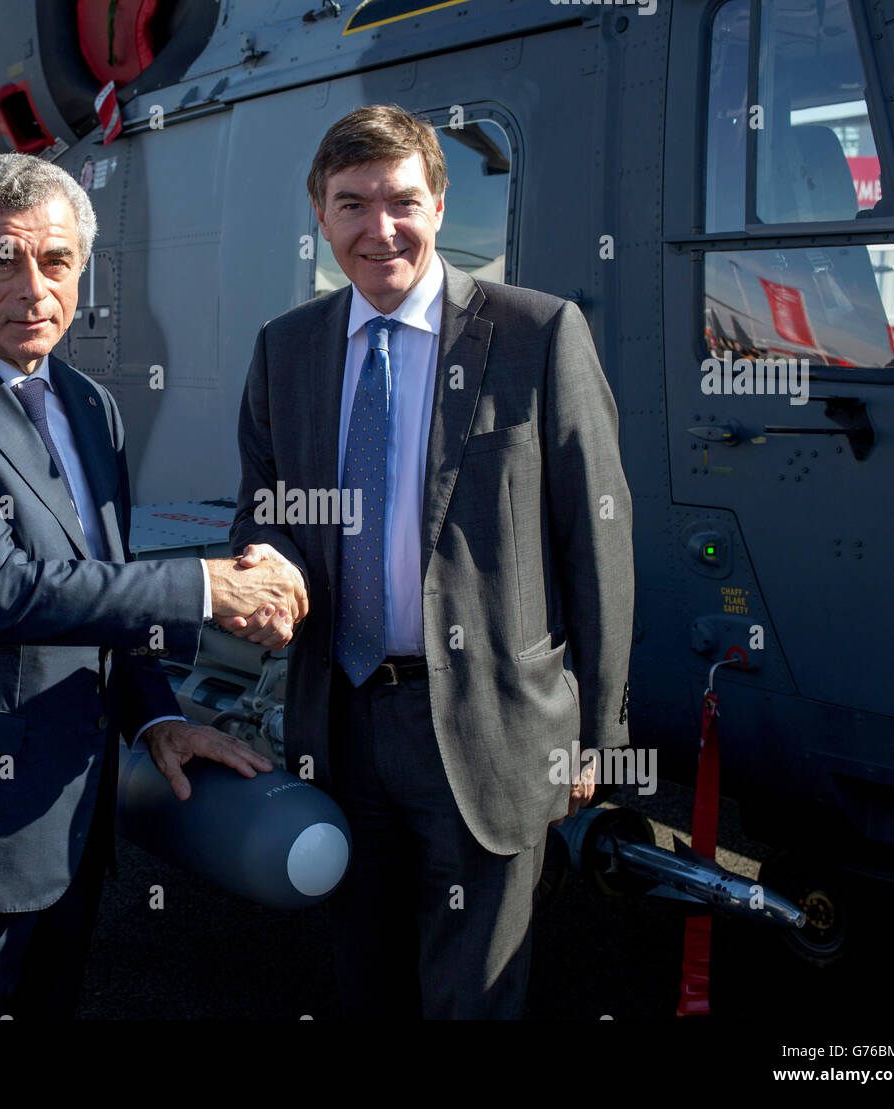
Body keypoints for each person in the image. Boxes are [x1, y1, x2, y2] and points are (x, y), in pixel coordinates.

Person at [0, 152, 306, 1019]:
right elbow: (6, 590)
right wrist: (209, 589)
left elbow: (106, 584)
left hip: (68, 817)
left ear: (81, 270)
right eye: (1, 257)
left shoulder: (91, 407)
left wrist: (161, 717)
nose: (33, 287)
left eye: (56, 262)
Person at [226, 105, 635, 1018]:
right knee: (364, 982)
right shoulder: (285, 348)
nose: (381, 229)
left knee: (477, 997)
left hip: (489, 726)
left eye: (402, 201)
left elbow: (597, 539)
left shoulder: (537, 335)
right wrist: (266, 558)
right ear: (320, 216)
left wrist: (600, 736)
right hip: (340, 722)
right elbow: (265, 505)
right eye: (352, 204)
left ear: (441, 205)